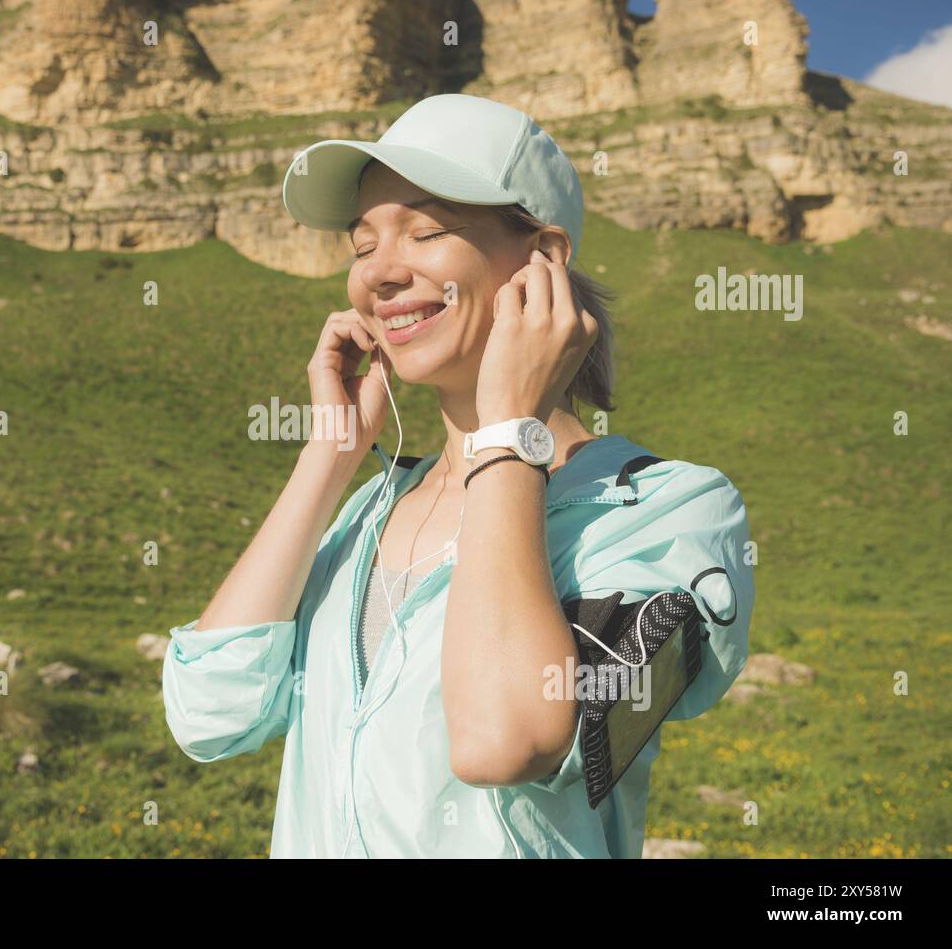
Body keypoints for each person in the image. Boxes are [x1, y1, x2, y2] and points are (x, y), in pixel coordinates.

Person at [161, 94, 753, 858]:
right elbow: (209, 715)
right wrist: (330, 457)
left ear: (544, 257)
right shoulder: (368, 513)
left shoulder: (667, 512)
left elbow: (502, 739)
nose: (378, 273)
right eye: (361, 244)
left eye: (428, 230)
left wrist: (508, 430)